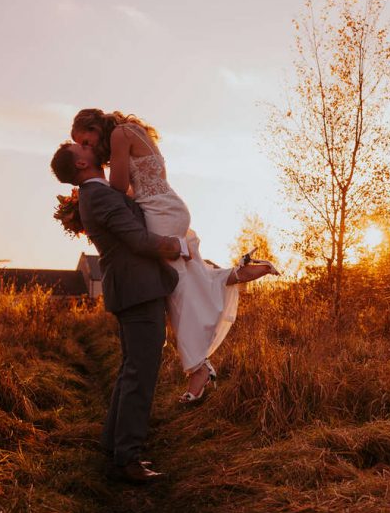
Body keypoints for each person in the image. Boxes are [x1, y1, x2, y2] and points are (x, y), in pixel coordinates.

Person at [70, 108, 278, 403]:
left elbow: (117, 188)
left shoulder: (118, 135)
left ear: (94, 127)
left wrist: (89, 196)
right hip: (167, 208)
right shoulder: (130, 130)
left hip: (158, 212)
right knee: (184, 280)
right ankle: (232, 276)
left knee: (175, 290)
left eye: (86, 141)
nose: (88, 148)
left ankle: (198, 367)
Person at [50, 140, 187, 484]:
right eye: (80, 148)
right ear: (80, 165)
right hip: (138, 290)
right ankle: (128, 458)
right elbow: (139, 240)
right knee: (141, 374)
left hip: (131, 289)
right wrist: (180, 246)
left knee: (131, 371)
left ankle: (114, 446)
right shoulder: (99, 197)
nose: (88, 147)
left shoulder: (98, 194)